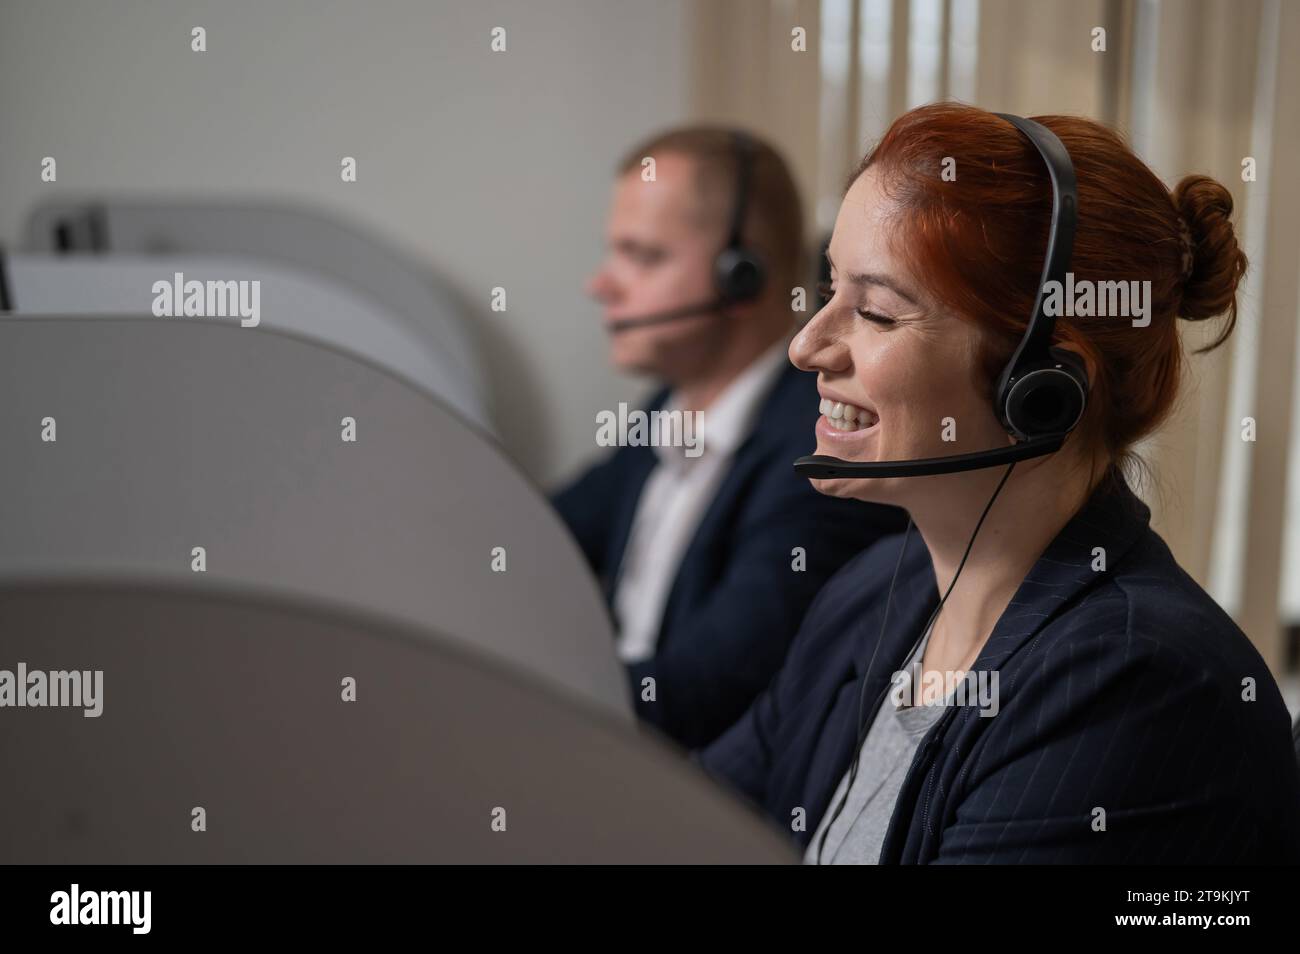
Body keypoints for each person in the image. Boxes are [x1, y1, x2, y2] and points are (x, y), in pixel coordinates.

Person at [698, 102, 1300, 863]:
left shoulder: (1134, 687)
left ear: (1042, 387)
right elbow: (690, 818)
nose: (807, 346)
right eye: (830, 290)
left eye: (878, 313)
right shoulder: (876, 591)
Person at [554, 127, 906, 749]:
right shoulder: (672, 403)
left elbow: (703, 696)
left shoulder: (821, 452)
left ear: (741, 276)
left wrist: (511, 698)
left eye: (643, 256)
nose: (601, 285)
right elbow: (546, 529)